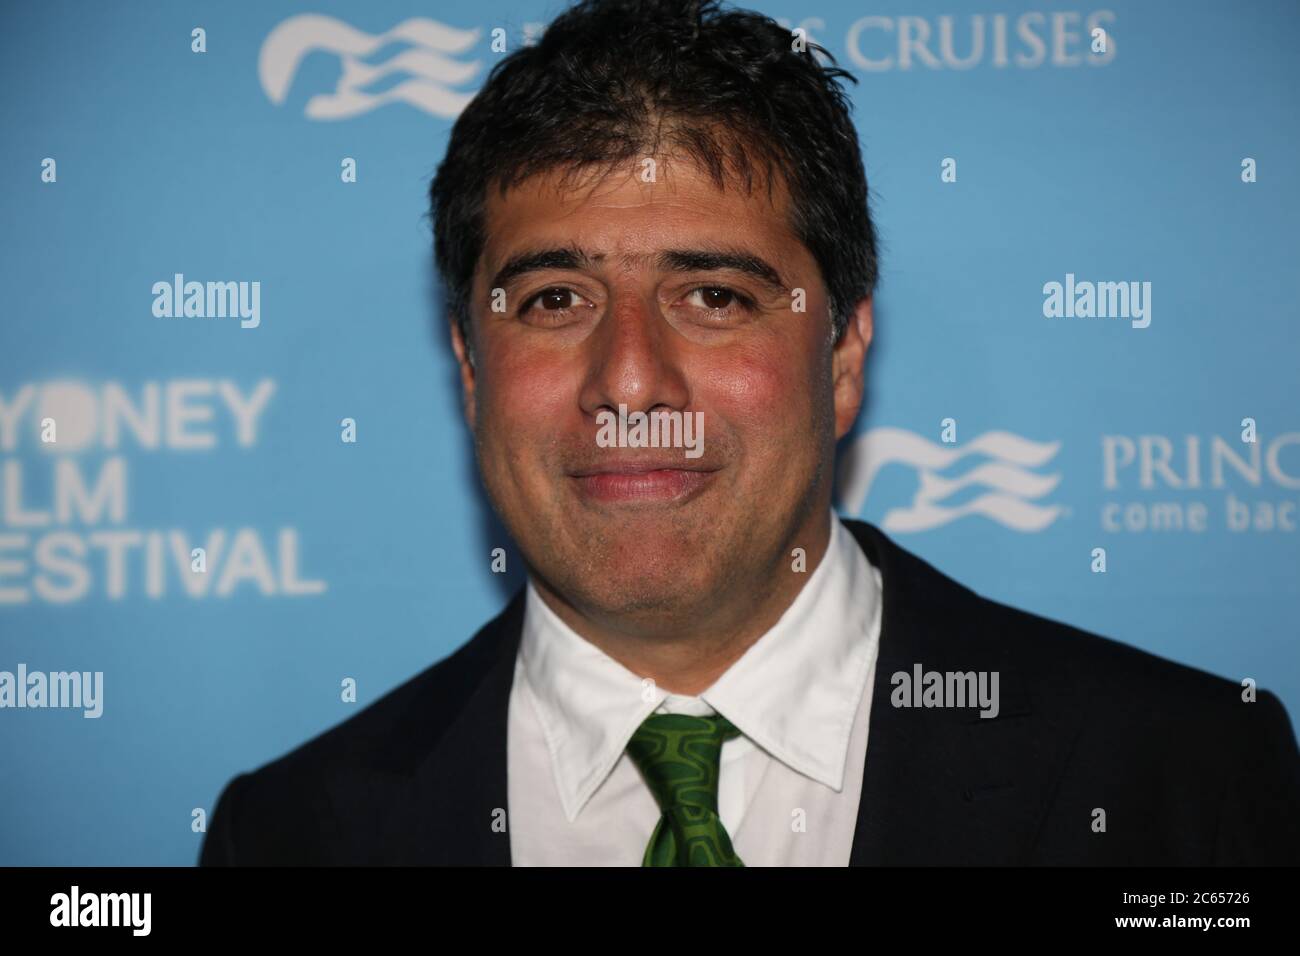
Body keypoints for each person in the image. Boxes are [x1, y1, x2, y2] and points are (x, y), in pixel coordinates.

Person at [199, 0, 1300, 866]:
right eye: (552, 301)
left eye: (714, 295)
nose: (628, 380)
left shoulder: (1178, 779)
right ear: (469, 369)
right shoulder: (295, 835)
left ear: (842, 356)